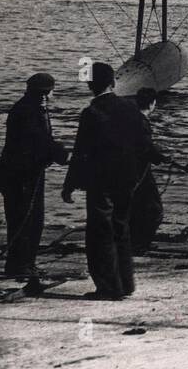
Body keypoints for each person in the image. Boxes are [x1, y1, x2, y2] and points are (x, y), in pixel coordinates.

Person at [63, 62, 152, 299]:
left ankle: (108, 287)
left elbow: (81, 152)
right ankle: (126, 283)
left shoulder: (91, 113)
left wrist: (69, 184)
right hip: (126, 181)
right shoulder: (131, 109)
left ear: (91, 86)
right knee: (121, 228)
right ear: (113, 83)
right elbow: (144, 146)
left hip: (100, 182)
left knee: (100, 232)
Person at [0, 72, 69, 279]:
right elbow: (40, 140)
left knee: (31, 220)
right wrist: (63, 155)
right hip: (21, 176)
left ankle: (26, 263)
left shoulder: (29, 108)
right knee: (24, 220)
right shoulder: (29, 111)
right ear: (45, 93)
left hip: (28, 173)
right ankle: (19, 266)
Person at [128, 87, 169, 255]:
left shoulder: (131, 119)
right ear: (152, 104)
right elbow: (146, 148)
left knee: (136, 208)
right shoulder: (142, 122)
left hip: (132, 171)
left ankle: (134, 243)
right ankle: (140, 244)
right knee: (154, 210)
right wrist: (161, 158)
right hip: (142, 172)